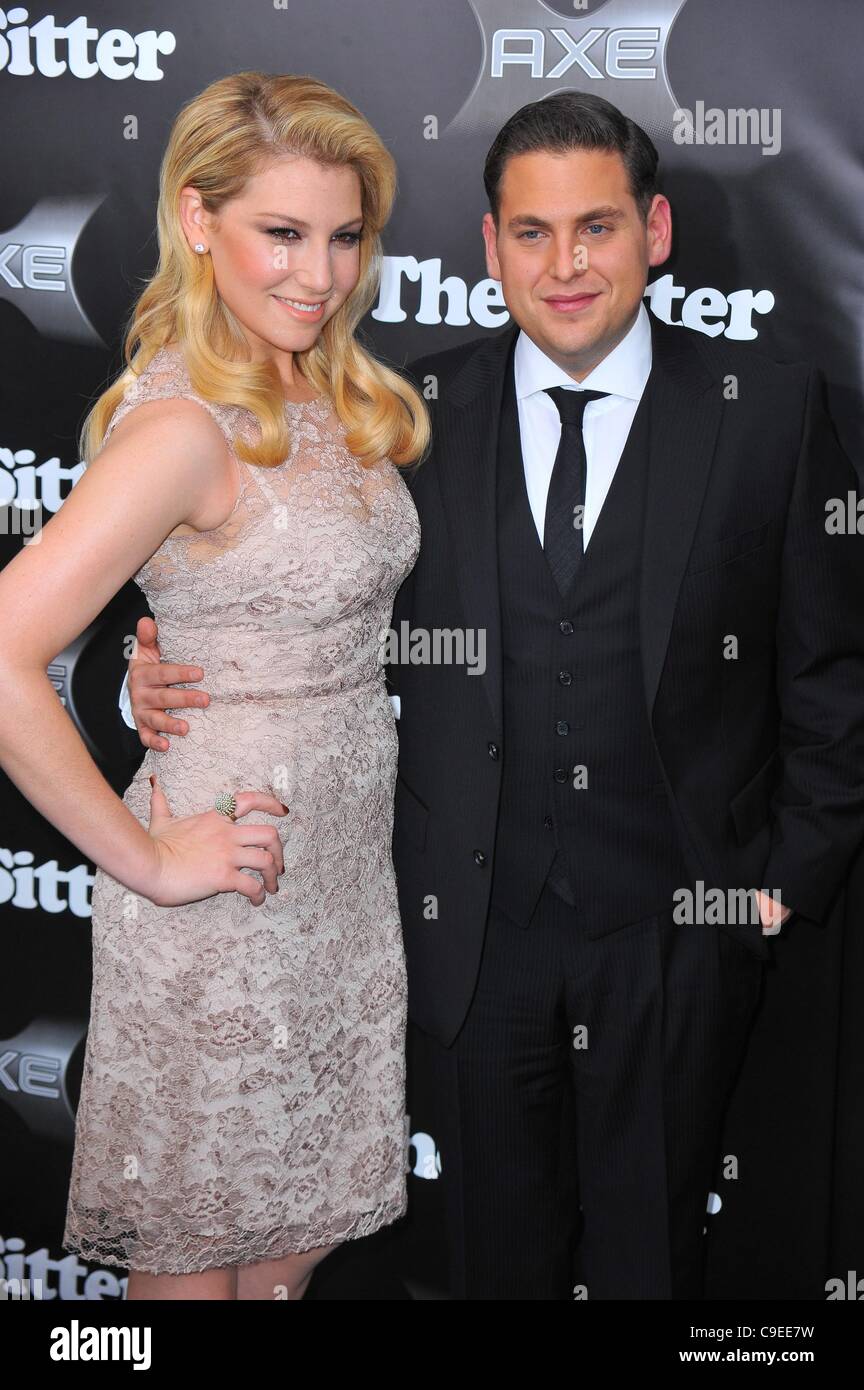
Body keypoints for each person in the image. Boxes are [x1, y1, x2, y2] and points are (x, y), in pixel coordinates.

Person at [126, 91, 864, 1299]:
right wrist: (146, 673)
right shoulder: (410, 415)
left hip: (676, 941)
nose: (564, 265)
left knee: (653, 1268)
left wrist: (778, 894)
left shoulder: (767, 412)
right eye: (530, 233)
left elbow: (831, 682)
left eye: (597, 228)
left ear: (657, 230)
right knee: (488, 1270)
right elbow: (298, 596)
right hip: (470, 945)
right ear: (489, 248)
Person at [0, 70, 429, 1300]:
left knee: (286, 1260)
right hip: (223, 896)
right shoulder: (181, 426)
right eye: (280, 233)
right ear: (198, 221)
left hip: (337, 888)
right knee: (197, 1277)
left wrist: (158, 673)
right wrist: (144, 860)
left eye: (345, 236)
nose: (321, 272)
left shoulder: (331, 390)